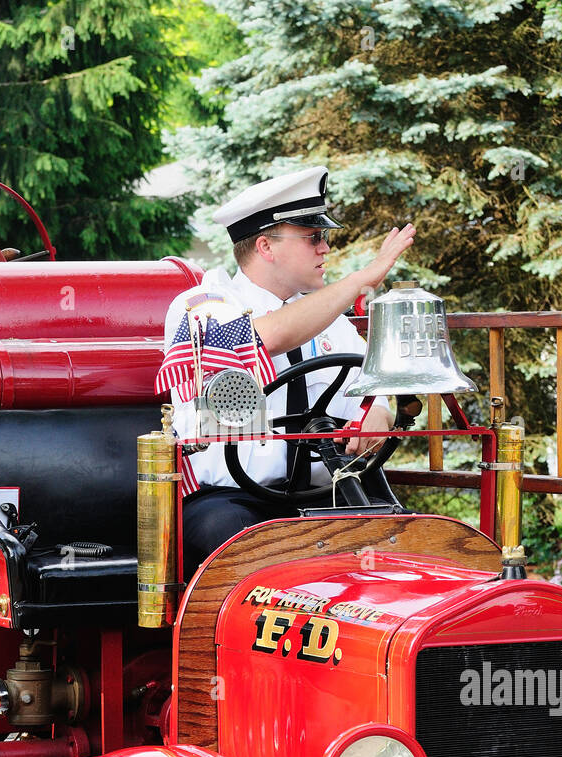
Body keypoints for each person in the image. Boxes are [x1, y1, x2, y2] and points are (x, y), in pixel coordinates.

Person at [161, 166, 416, 574]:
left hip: (327, 491)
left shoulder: (329, 317)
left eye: (325, 237)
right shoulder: (203, 304)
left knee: (412, 549)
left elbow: (369, 386)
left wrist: (379, 415)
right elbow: (264, 337)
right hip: (231, 500)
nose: (326, 249)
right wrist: (359, 281)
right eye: (314, 237)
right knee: (257, 556)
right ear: (265, 247)